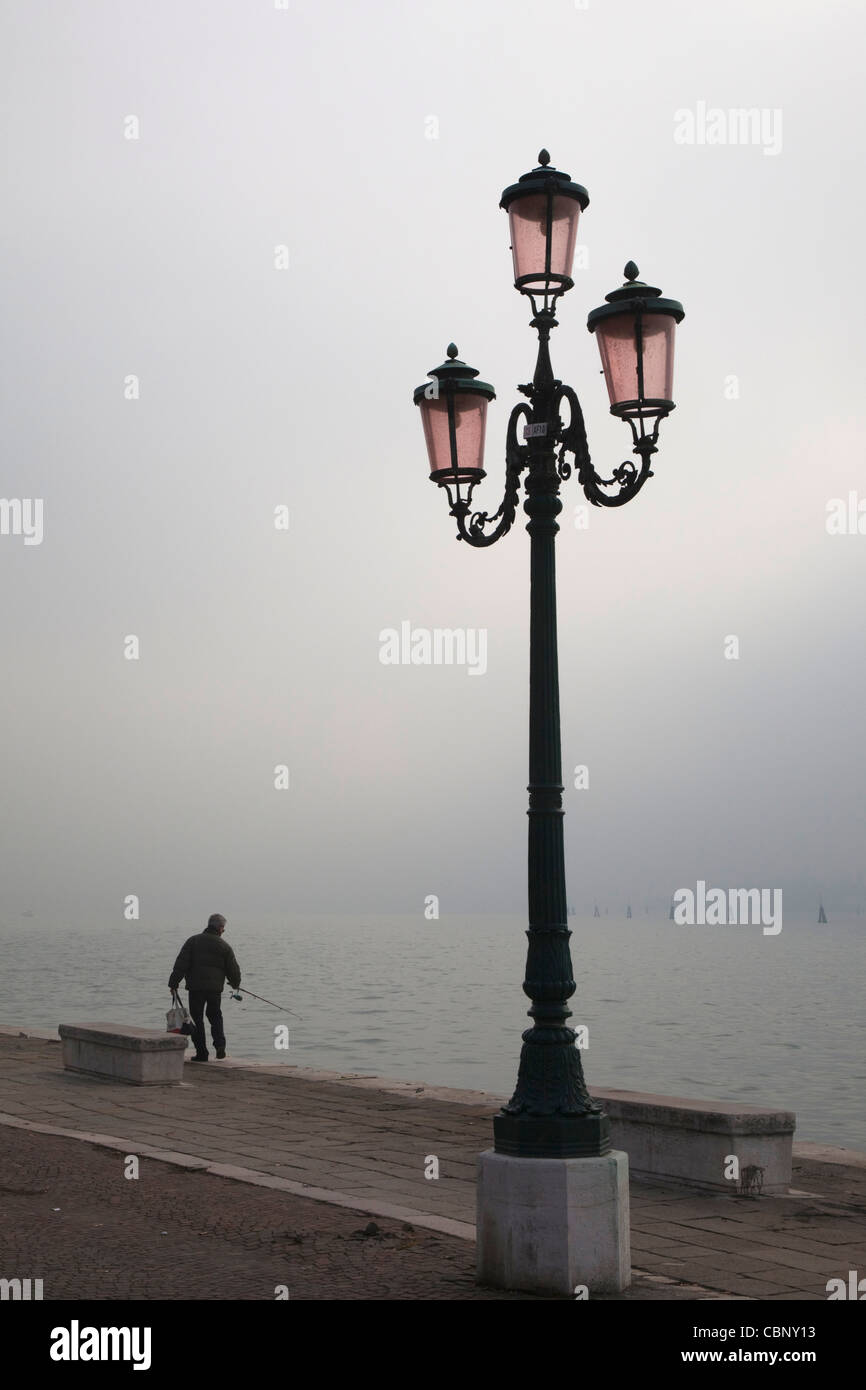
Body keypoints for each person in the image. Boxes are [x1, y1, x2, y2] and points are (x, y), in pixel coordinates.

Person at [168, 913, 241, 1062]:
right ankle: (220, 1045)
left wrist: (173, 984)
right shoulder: (224, 946)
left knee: (197, 1019)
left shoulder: (193, 941)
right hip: (214, 990)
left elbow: (181, 964)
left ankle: (202, 1053)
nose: (223, 931)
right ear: (220, 928)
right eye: (223, 929)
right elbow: (233, 970)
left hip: (196, 988)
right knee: (215, 1016)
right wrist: (235, 984)